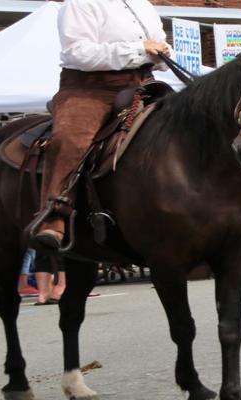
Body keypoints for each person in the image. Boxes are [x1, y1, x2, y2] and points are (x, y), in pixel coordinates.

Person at [31, 0, 175, 252]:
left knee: (193, 123)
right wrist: (139, 48)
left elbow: (159, 46)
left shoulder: (143, 5)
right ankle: (55, 213)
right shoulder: (80, 4)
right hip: (91, 87)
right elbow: (77, 53)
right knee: (70, 139)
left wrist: (163, 52)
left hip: (143, 83)